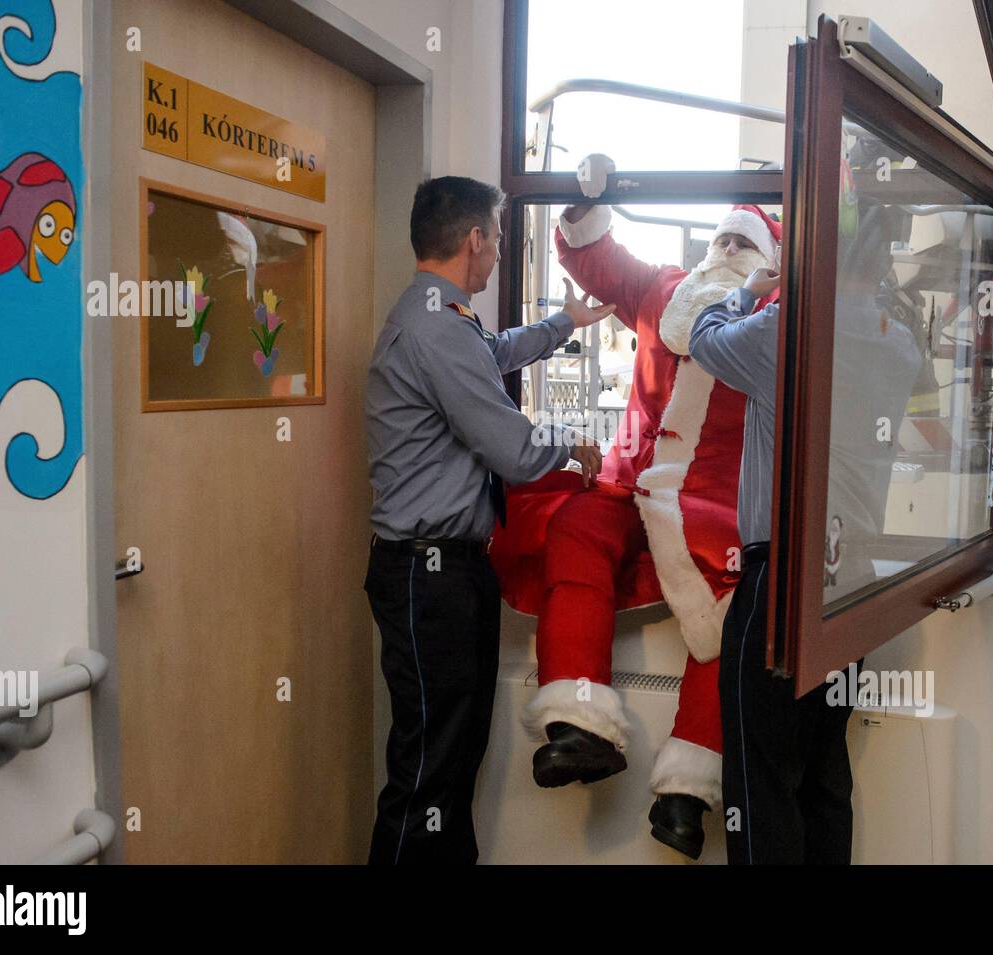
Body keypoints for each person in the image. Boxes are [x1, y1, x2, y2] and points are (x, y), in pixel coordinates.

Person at [488, 152, 782, 860]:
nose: (730, 248)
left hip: (714, 508)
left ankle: (686, 790)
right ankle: (577, 720)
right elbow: (597, 259)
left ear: (769, 264)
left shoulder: (775, 319)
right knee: (574, 527)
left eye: (745, 243)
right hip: (629, 484)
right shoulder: (665, 290)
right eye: (724, 238)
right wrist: (587, 199)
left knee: (733, 616)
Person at [364, 175, 614, 864]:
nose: (501, 251)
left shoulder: (440, 317)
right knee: (429, 770)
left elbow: (491, 355)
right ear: (474, 239)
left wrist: (562, 324)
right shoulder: (437, 328)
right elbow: (513, 449)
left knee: (451, 759)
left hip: (443, 571)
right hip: (427, 575)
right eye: (499, 238)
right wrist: (572, 442)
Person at [688, 195, 921, 864]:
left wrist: (746, 292)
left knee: (761, 781)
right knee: (823, 776)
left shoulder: (788, 330)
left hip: (781, 584)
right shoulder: (899, 341)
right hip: (851, 584)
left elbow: (704, 340)